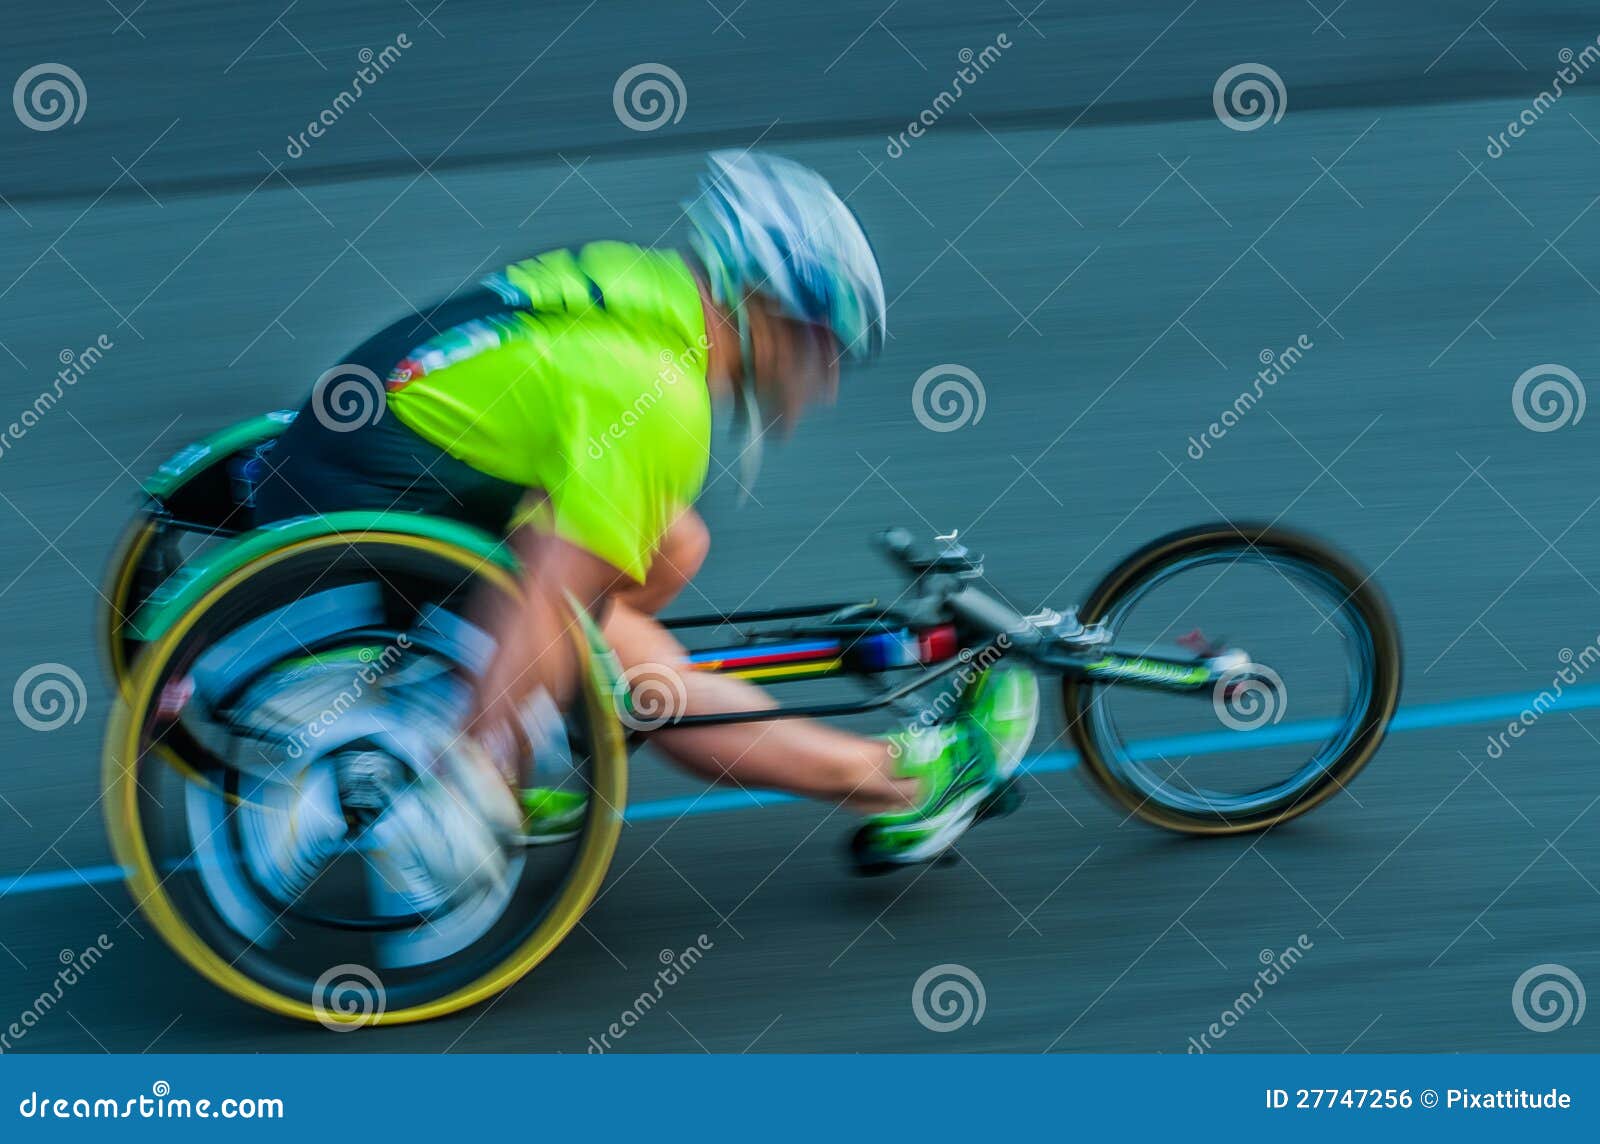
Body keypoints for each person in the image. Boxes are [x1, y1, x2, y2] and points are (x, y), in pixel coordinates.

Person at [252, 150, 1037, 893]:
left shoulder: (638, 284)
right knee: (639, 679)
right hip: (365, 543)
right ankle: (896, 778)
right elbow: (552, 602)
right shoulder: (660, 397)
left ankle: (530, 698)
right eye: (822, 347)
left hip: (347, 470)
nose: (821, 383)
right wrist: (486, 763)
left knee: (674, 541)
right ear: (767, 313)